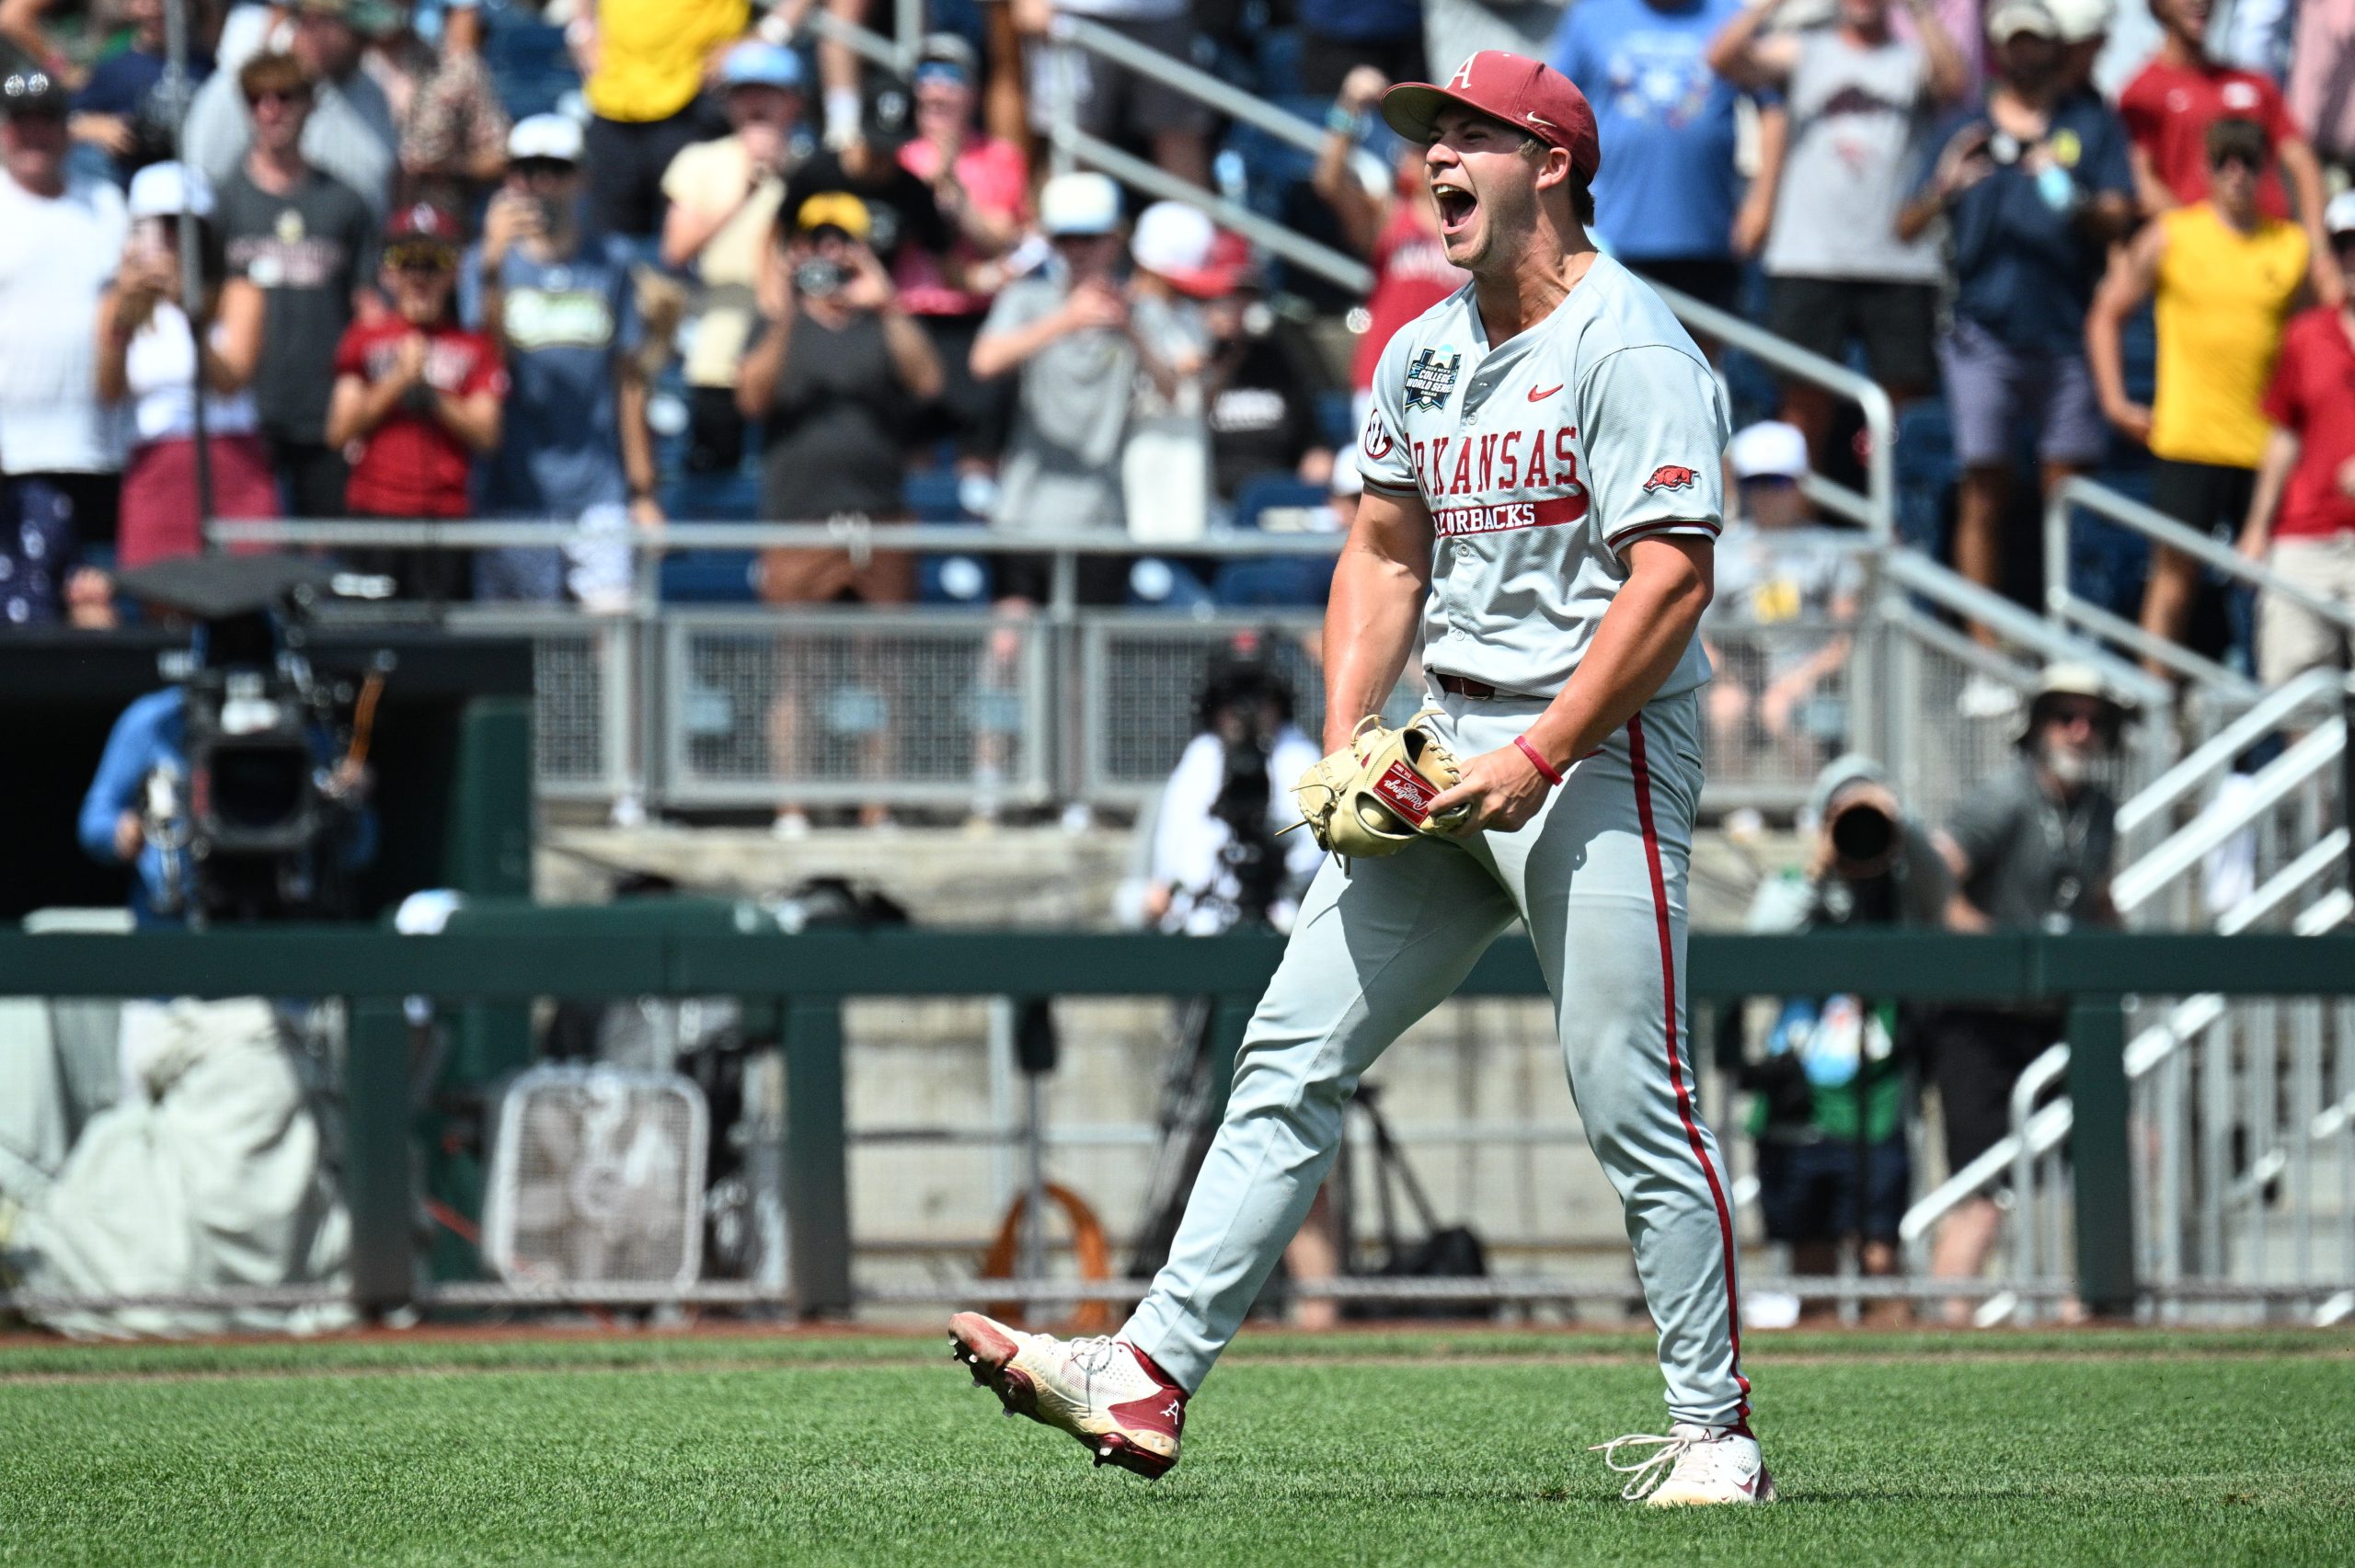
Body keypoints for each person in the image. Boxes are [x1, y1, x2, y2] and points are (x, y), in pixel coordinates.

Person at [949, 52, 1770, 1506]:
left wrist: (1540, 752)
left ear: (1552, 163)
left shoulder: (1632, 346)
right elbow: (1385, 552)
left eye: (1470, 135)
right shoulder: (1420, 348)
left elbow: (1670, 584)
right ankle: (1148, 1372)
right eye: (1429, 136)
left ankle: (1716, 1433)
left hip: (1599, 751)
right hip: (1449, 742)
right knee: (1287, 1052)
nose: (1436, 159)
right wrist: (1351, 738)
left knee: (1630, 1096)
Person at [1896, 0, 2136, 648]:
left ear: (2056, 49)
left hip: (2065, 335)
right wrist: (1946, 186)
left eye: (2037, 41)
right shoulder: (1965, 128)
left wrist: (2068, 194)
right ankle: (1985, 648)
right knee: (1983, 487)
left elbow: (2121, 215)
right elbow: (1905, 224)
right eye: (2015, 42)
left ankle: (2070, 639)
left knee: (2068, 496)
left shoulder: (2090, 124)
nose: (2026, 54)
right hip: (1981, 336)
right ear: (1998, 52)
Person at [1928, 664, 2129, 1321]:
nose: (2080, 731)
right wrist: (1995, 945)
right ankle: (1945, 1338)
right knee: (1981, 1195)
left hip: (2059, 1018)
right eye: (2066, 716)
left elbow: (2096, 897)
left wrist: (2118, 952)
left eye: (2094, 720)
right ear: (2038, 725)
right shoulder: (2003, 797)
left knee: (2109, 1166)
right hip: (1981, 1022)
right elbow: (1933, 880)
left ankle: (2085, 1319)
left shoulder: (2100, 811)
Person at [2086, 118, 2308, 675]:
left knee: (2272, 589)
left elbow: (2321, 332)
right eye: (2224, 160)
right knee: (2173, 579)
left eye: (2248, 161)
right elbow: (2107, 313)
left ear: (2264, 170)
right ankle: (2155, 702)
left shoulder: (2290, 246)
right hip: (2190, 437)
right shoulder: (2173, 236)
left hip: (2265, 446)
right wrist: (2114, 400)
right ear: (2206, 168)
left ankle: (2267, 709)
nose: (2236, 173)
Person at [1708, 0, 1969, 471]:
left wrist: (1919, 12)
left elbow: (1956, 84)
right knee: (1803, 405)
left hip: (1898, 262)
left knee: (1903, 414)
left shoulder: (1912, 60)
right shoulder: (1803, 51)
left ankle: (1898, 507)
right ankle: (1796, 507)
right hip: (1808, 256)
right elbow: (1722, 59)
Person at [1739, 755, 1951, 1322]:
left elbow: (1939, 890)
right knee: (1812, 1266)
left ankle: (1895, 1368)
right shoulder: (1796, 886)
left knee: (1881, 1257)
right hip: (1798, 1108)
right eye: (1842, 813)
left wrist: (1898, 826)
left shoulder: (1901, 896)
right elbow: (1760, 940)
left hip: (1878, 1105)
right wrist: (1821, 863)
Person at [971, 171, 1194, 608]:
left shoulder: (1140, 308)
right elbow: (984, 361)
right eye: (1065, 239)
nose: (1076, 251)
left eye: (1088, 239)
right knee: (1011, 634)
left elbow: (1173, 392)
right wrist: (1066, 320)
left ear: (1114, 241)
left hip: (1102, 516)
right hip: (1024, 510)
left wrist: (1130, 330)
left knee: (1087, 644)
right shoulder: (1027, 299)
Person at [464, 114, 660, 605]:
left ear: (581, 177)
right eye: (527, 170)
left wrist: (642, 492)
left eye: (555, 170)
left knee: (615, 629)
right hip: (513, 490)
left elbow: (629, 381)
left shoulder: (612, 262)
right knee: (522, 639)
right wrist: (492, 267)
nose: (540, 184)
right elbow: (486, 366)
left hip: (597, 489)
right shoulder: (483, 265)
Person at [214, 49, 376, 520]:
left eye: (284, 96)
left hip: (325, 413)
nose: (271, 110)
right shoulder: (222, 203)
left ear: (309, 103)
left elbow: (368, 310)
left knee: (328, 549)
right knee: (250, 548)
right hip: (244, 414)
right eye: (257, 98)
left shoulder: (345, 202)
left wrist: (365, 407)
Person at [94, 161, 275, 571]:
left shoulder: (236, 293)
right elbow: (108, 390)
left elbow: (231, 380)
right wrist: (124, 317)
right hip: (155, 466)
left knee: (243, 587)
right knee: (158, 591)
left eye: (179, 227)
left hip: (232, 461)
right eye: (157, 227)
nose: (169, 240)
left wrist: (188, 312)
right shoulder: (116, 302)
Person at [327, 202, 504, 602]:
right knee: (367, 632)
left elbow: (488, 434)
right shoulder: (363, 338)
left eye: (434, 262)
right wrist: (397, 380)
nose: (419, 276)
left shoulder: (474, 345)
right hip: (375, 513)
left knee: (440, 637)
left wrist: (433, 393)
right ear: (387, 272)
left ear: (454, 272)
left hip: (445, 518)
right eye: (406, 261)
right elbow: (338, 430)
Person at [0, 69, 126, 608]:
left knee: (93, 606)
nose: (34, 135)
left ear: (66, 128)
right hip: (12, 450)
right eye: (20, 122)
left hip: (96, 445)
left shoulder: (107, 205)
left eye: (47, 120)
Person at [1550, 0, 1762, 315]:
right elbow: (1554, 110)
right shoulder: (1591, 15)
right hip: (1608, 235)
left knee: (1705, 346)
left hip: (1707, 234)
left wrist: (1761, 205)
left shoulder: (1730, 16)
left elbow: (1773, 106)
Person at [2119, 0, 2334, 303]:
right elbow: (2140, 180)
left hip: (2274, 268)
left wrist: (2319, 249)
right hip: (2199, 275)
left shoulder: (2254, 85)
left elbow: (2302, 162)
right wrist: (2210, 238)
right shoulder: (2142, 93)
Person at [660, 38, 806, 475]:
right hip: (717, 351)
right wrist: (745, 194)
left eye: (768, 91)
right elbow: (675, 250)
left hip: (792, 347)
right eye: (744, 92)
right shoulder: (701, 160)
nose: (755, 103)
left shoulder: (811, 165)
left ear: (793, 101)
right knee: (713, 476)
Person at [893, 33, 1028, 488]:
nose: (937, 89)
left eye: (950, 77)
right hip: (911, 317)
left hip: (976, 322)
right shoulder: (897, 157)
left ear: (973, 91)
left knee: (981, 453)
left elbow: (1001, 238)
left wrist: (953, 191)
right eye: (926, 76)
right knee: (912, 449)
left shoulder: (1000, 157)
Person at [2236, 191, 2355, 685]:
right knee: (2293, 692)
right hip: (2305, 535)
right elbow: (2284, 435)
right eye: (2345, 246)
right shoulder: (2305, 337)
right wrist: (2256, 527)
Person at [1312, 67, 1467, 429]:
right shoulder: (1390, 214)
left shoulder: (1474, 223)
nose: (1414, 157)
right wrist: (1348, 107)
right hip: (1381, 379)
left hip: (1448, 385)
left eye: (1426, 148)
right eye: (1413, 149)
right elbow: (1328, 182)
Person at [1704, 420, 1864, 761]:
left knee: (1779, 709)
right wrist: (1728, 674)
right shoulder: (1724, 550)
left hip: (1811, 681)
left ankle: (1812, 792)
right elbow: (1699, 632)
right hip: (1740, 676)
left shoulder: (1826, 549)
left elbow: (1846, 636)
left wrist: (1800, 680)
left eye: (1777, 481)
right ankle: (1737, 796)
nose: (1765, 494)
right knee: (1726, 708)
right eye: (1754, 482)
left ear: (1800, 484)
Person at [181, 0, 400, 219]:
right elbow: (203, 185)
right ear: (314, 21)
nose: (367, 45)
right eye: (357, 34)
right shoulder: (242, 87)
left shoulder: (372, 91)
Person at [580, 0, 747, 240]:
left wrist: (770, 33)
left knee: (697, 239)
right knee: (613, 243)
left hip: (695, 96)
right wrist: (581, 28)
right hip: (614, 98)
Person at [1018, 0, 1212, 189]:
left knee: (1181, 134)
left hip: (1166, 13)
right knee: (1077, 146)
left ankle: (1192, 211)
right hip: (1075, 15)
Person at [70, 0, 215, 181]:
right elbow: (68, 119)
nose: (155, 9)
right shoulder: (114, 70)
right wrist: (94, 127)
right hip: (134, 180)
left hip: (196, 178)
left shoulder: (207, 68)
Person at [396, 0, 509, 218]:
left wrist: (447, 168)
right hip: (370, 211)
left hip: (440, 215)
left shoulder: (462, 70)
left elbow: (499, 155)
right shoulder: (361, 63)